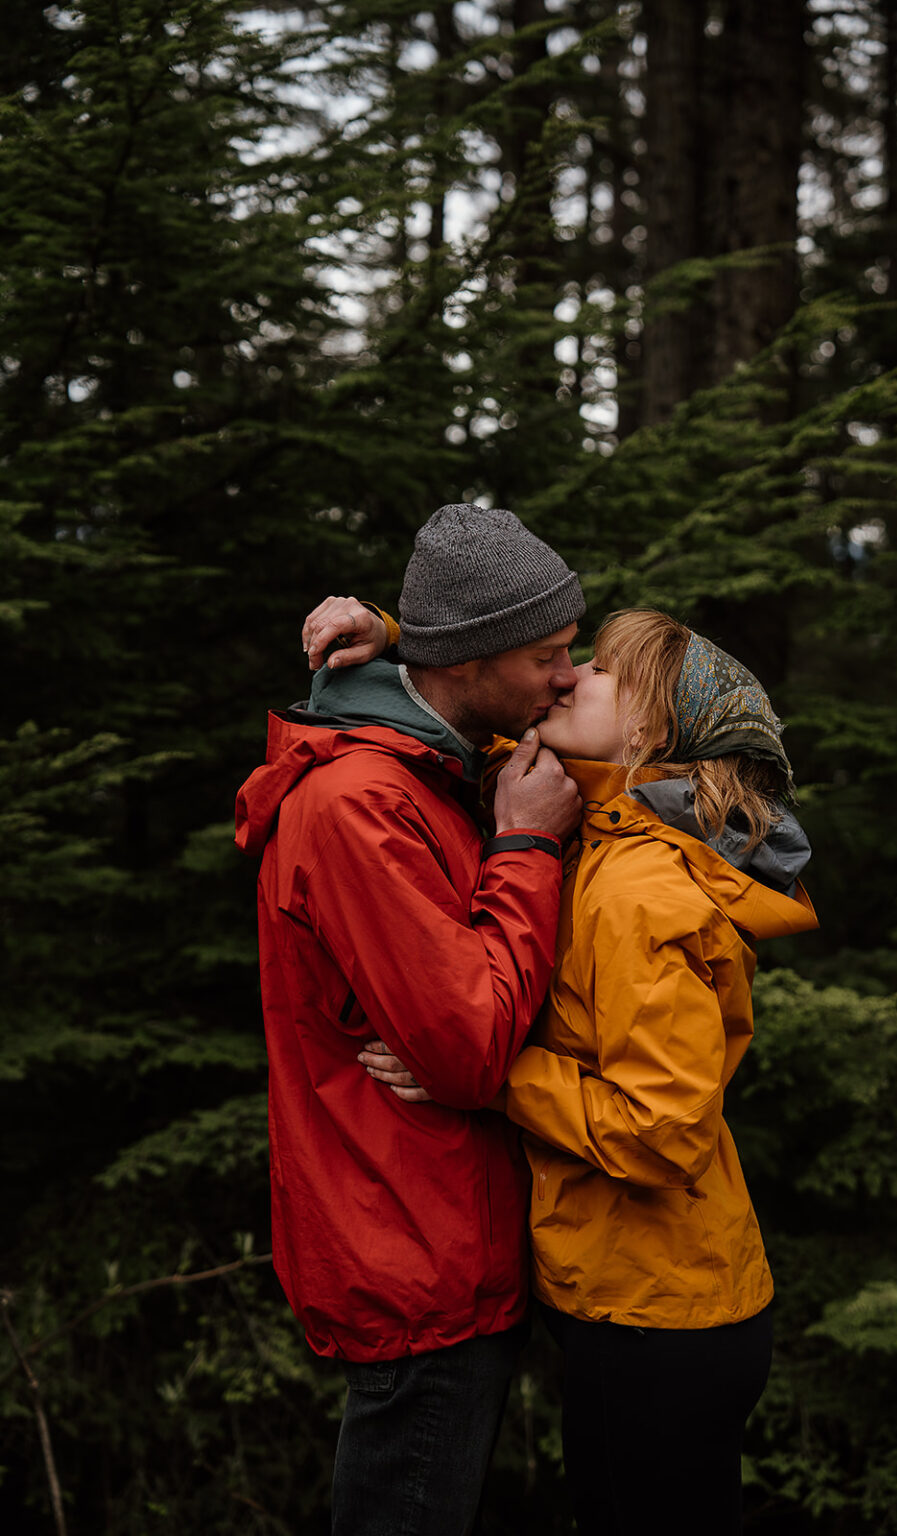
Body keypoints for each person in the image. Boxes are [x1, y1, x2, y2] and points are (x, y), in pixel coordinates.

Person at [347, 606, 818, 1535]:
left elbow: (665, 1128)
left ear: (647, 731)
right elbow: (481, 705)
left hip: (662, 1321)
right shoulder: (602, 825)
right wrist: (402, 637)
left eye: (600, 671)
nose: (568, 677)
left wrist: (479, 1071)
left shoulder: (639, 891)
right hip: (637, 1298)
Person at [235, 502, 585, 1536]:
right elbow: (471, 1048)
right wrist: (526, 850)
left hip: (437, 1243)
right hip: (414, 1261)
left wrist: (395, 633)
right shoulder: (362, 807)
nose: (570, 676)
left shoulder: (433, 755)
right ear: (472, 663)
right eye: (550, 657)